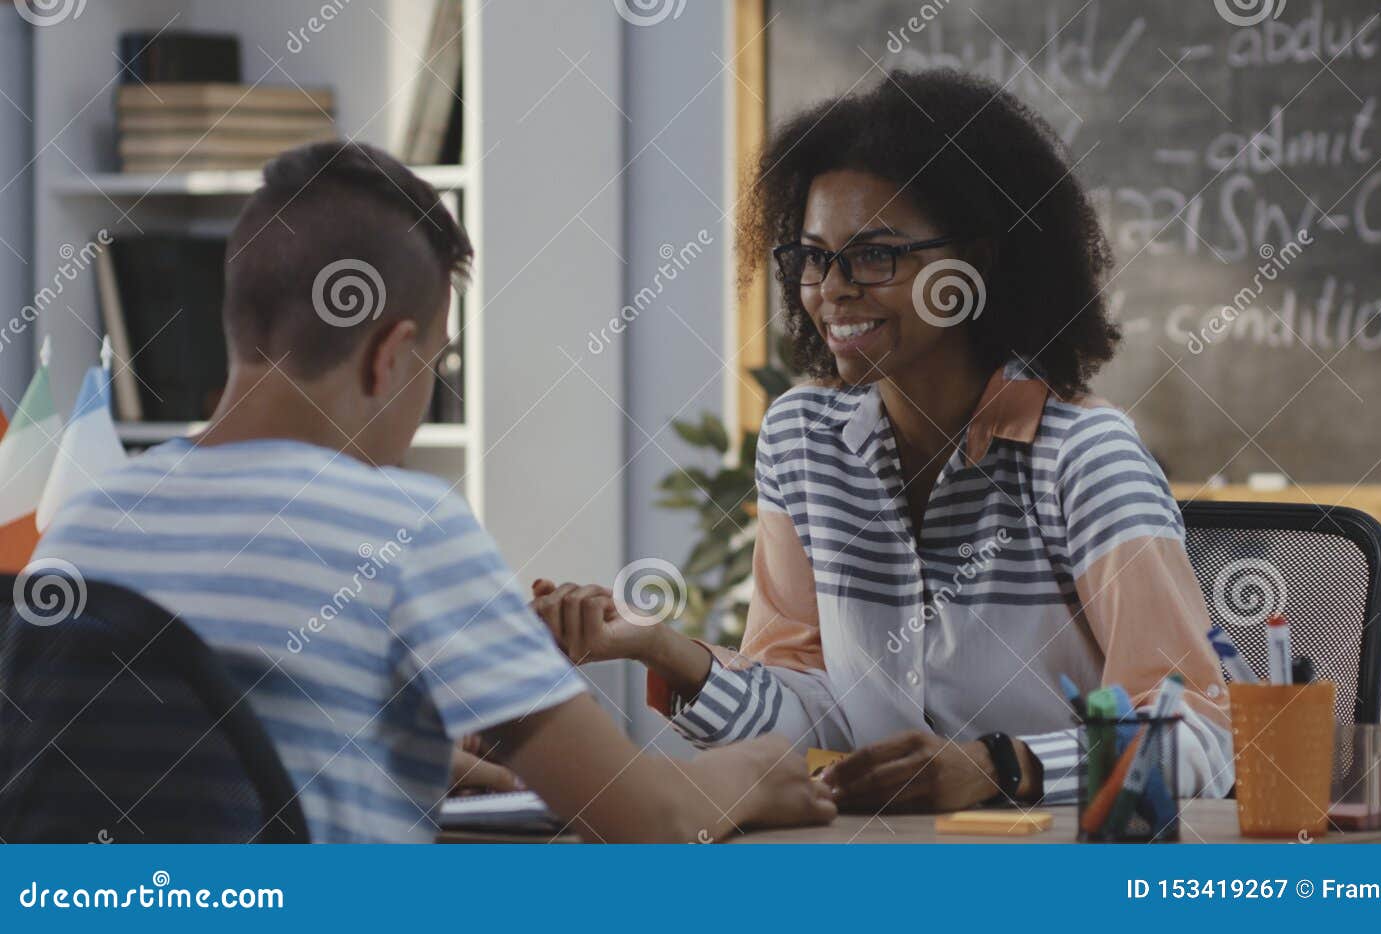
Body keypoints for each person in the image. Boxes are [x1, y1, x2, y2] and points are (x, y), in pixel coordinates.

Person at [30, 141, 834, 843]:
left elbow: (203, 760)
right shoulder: (404, 529)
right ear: (389, 355)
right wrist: (755, 774)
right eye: (434, 364)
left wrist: (406, 753)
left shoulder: (82, 527)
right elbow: (649, 823)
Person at [537, 70, 1234, 813]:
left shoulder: (1086, 459)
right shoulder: (804, 442)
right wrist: (656, 646)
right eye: (812, 256)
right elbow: (812, 718)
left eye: (875, 255)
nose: (832, 288)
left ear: (978, 261)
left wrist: (997, 767)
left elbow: (1200, 735)